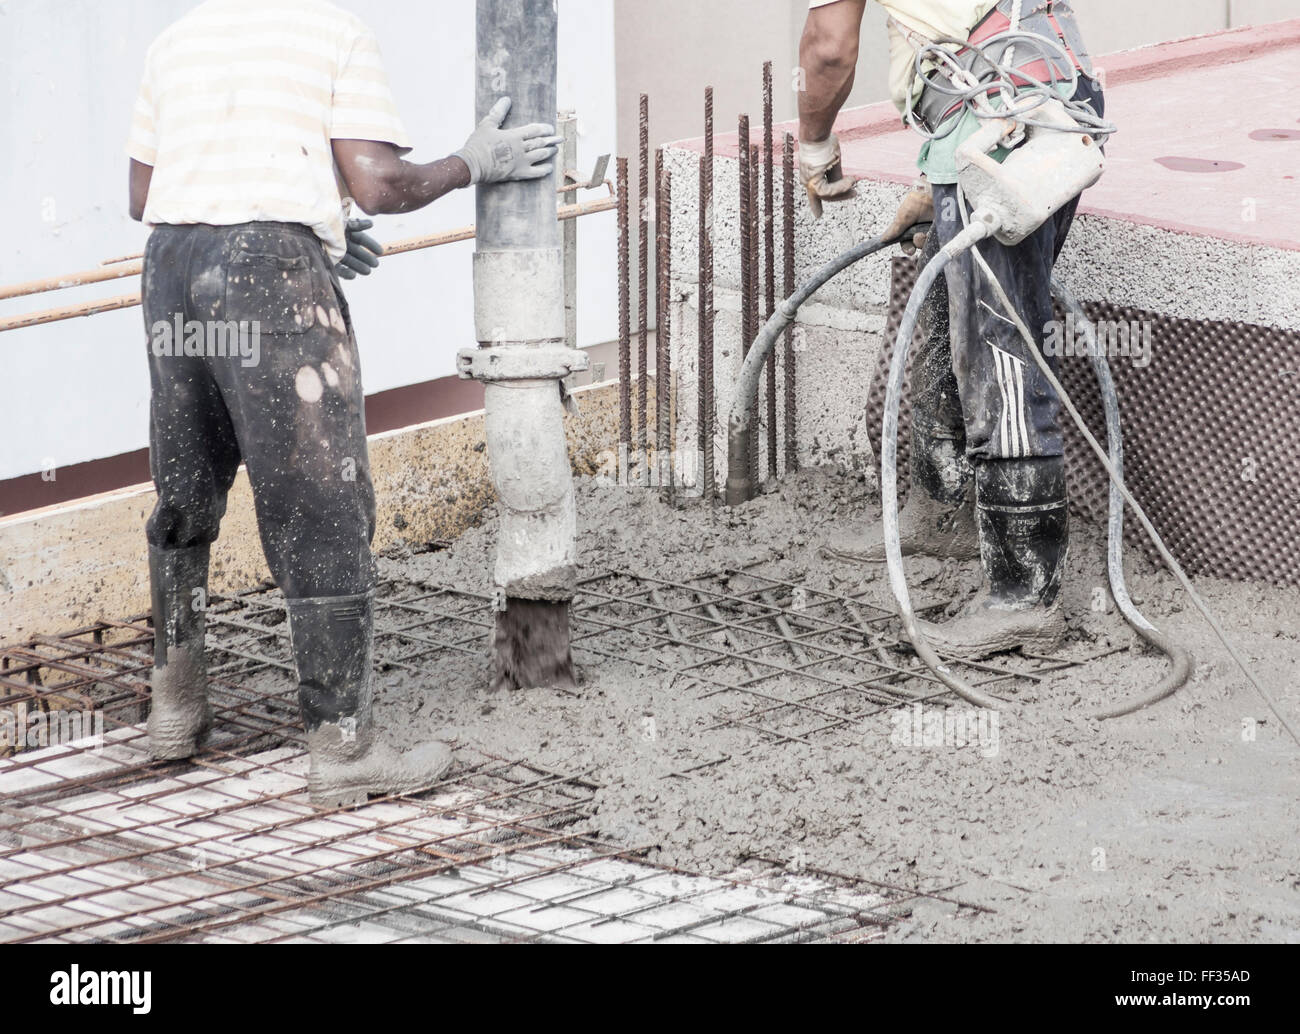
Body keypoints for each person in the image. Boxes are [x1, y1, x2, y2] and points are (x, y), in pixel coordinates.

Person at [127, 0, 561, 807]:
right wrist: (472, 163)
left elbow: (145, 191)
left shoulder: (176, 39)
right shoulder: (334, 32)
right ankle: (346, 751)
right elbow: (380, 180)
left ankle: (174, 709)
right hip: (265, 275)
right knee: (320, 503)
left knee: (186, 486)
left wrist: (319, 223)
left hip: (173, 267)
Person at [799, 0, 1104, 655]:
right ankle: (943, 510)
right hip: (1043, 108)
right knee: (948, 305)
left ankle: (1026, 597)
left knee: (1002, 358)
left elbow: (827, 49)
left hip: (1003, 129)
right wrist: (937, 176)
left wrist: (815, 146)